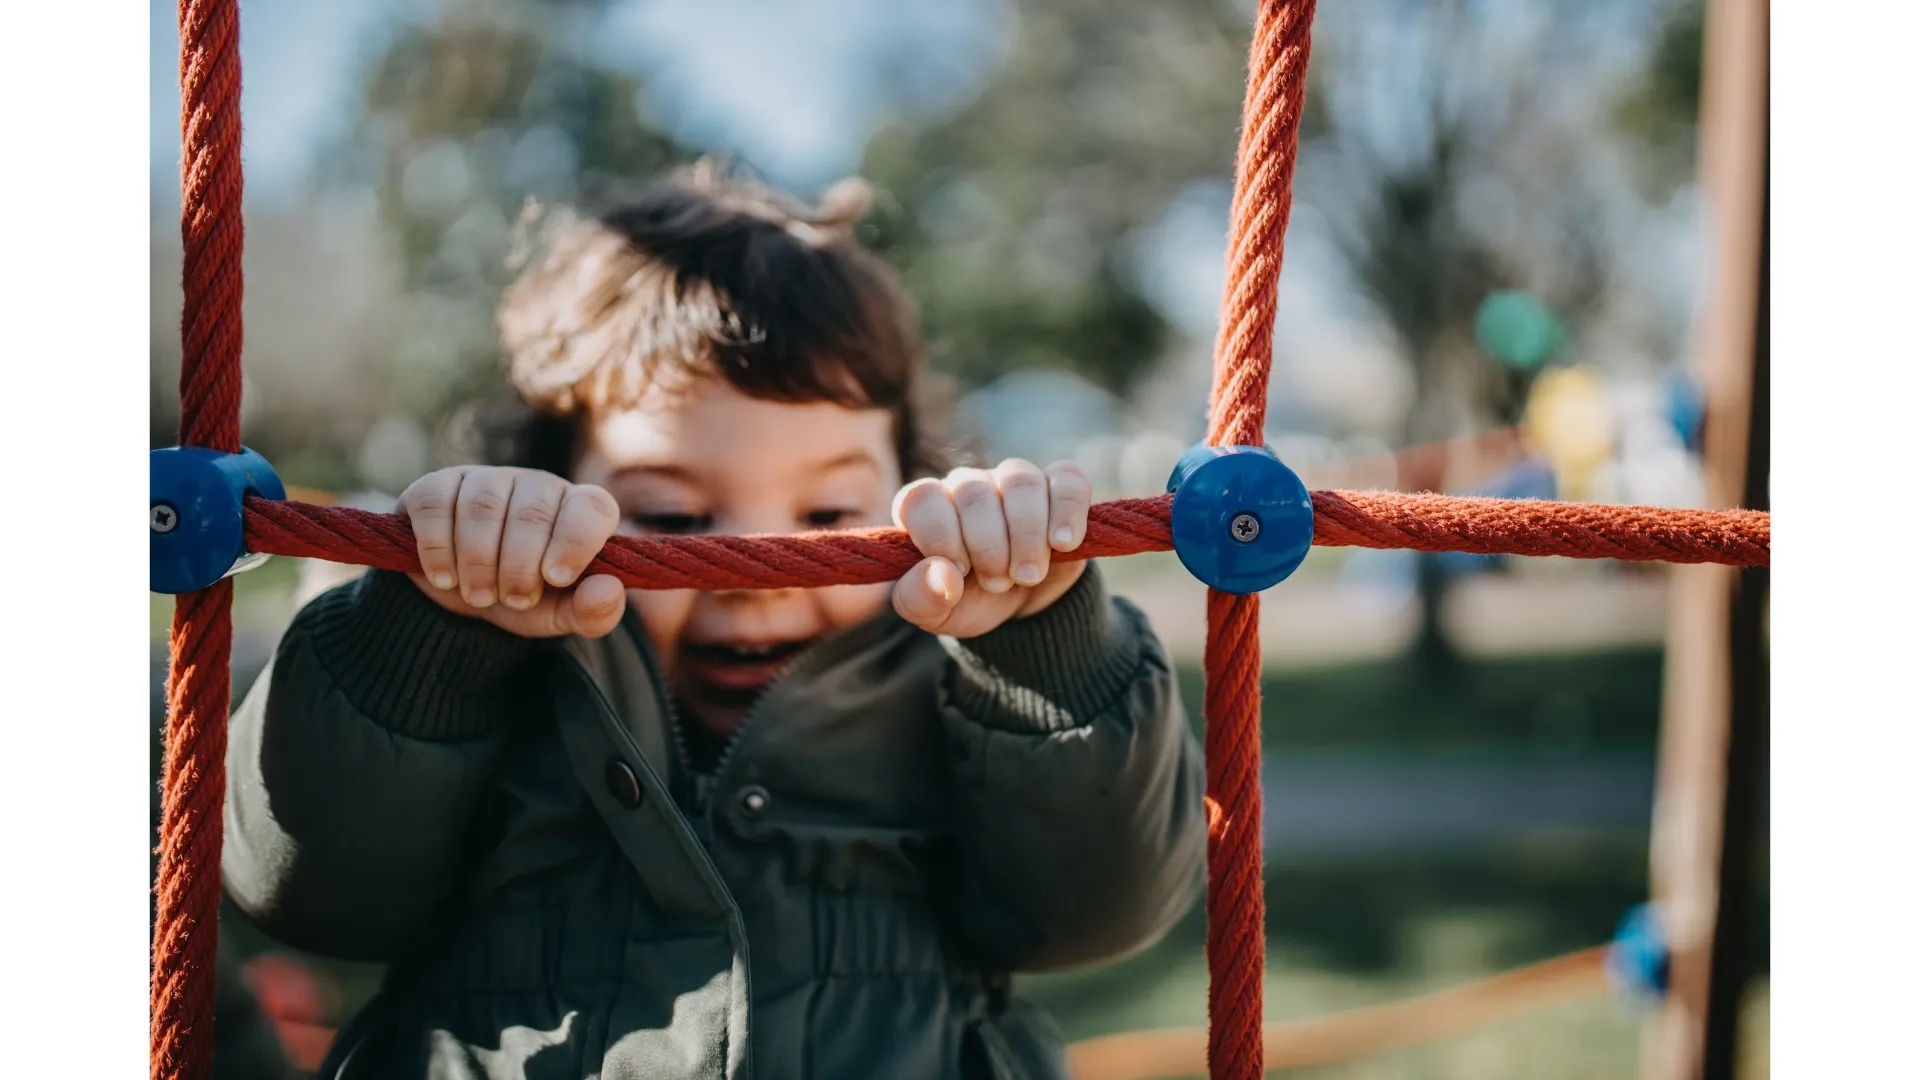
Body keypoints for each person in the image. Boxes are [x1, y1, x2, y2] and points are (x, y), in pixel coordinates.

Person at [223, 161, 1205, 1080]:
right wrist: (422, 645)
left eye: (827, 516)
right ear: (550, 488)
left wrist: (1045, 654)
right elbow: (306, 893)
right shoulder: (493, 687)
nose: (755, 575)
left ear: (912, 487)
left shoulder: (952, 689)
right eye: (675, 516)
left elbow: (1095, 912)